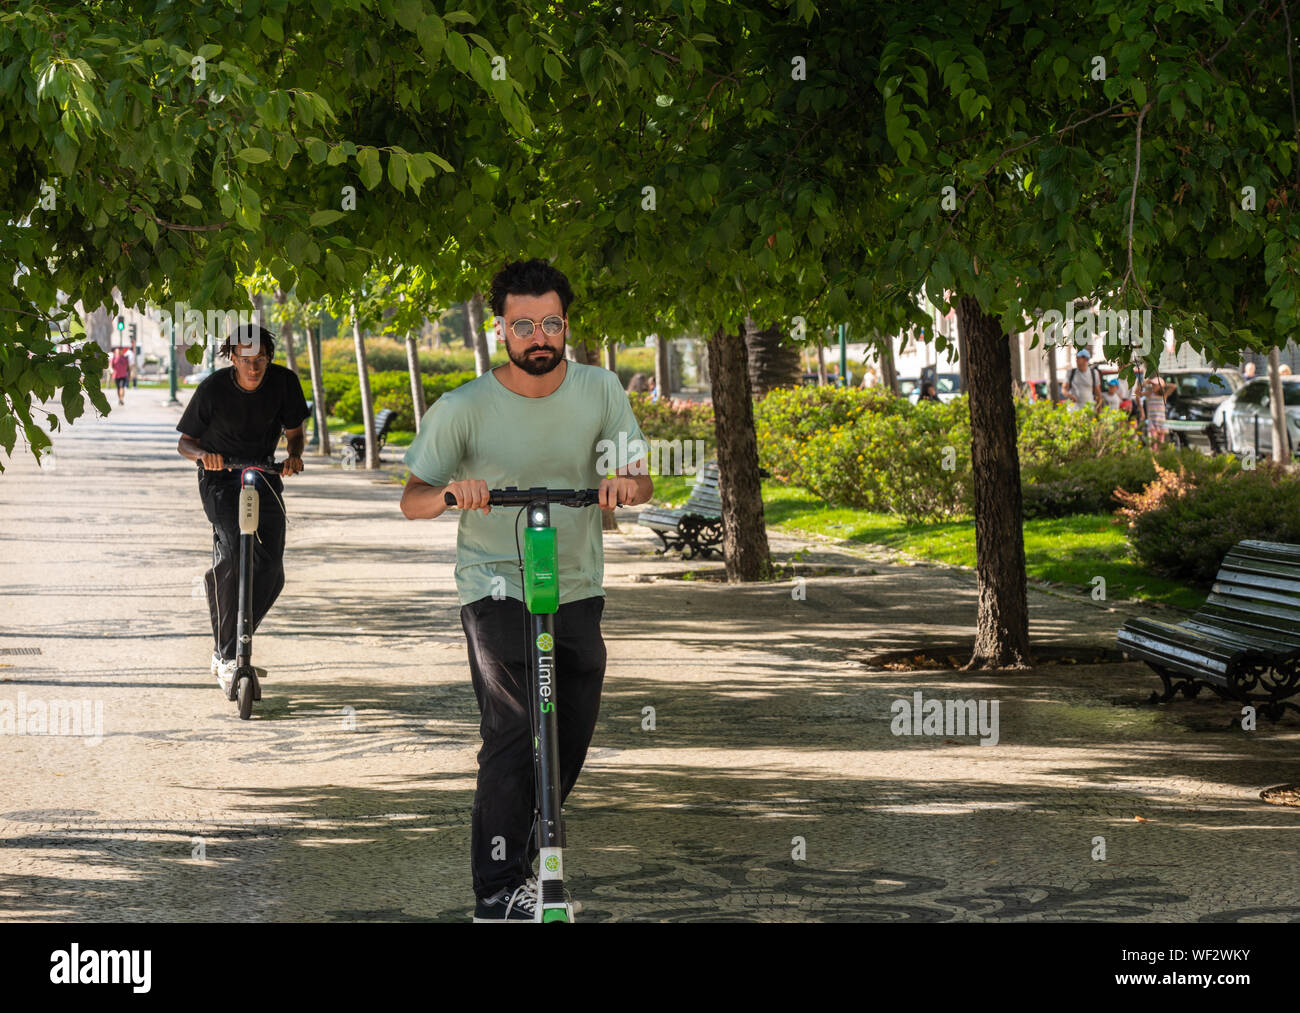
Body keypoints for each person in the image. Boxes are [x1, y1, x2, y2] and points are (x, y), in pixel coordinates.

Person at [399, 259, 653, 922]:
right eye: (522, 325)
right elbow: (413, 499)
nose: (537, 336)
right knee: (514, 724)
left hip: (576, 585)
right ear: (501, 331)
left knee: (568, 723)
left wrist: (625, 485)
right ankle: (497, 890)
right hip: (493, 585)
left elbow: (639, 476)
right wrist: (454, 491)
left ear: (565, 325)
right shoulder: (464, 408)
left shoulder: (600, 391)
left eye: (549, 323)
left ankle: (535, 840)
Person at [175, 325, 308, 692]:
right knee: (234, 557)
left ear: (269, 358)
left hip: (263, 473)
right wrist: (206, 456)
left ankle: (230, 646)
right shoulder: (213, 389)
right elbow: (185, 443)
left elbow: (295, 432)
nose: (254, 368)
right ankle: (227, 654)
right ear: (232, 358)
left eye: (261, 360)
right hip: (219, 479)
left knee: (272, 569)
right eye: (247, 360)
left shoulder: (283, 383)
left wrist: (293, 457)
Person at [1143, 373, 1169, 445]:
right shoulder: (1149, 394)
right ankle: (1154, 454)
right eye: (1152, 385)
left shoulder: (1164, 395)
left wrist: (1163, 384)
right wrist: (1144, 384)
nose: (1153, 386)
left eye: (1155, 385)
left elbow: (1174, 386)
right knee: (1154, 441)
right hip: (1152, 420)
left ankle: (1159, 455)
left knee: (1161, 441)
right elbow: (1137, 392)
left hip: (1161, 420)